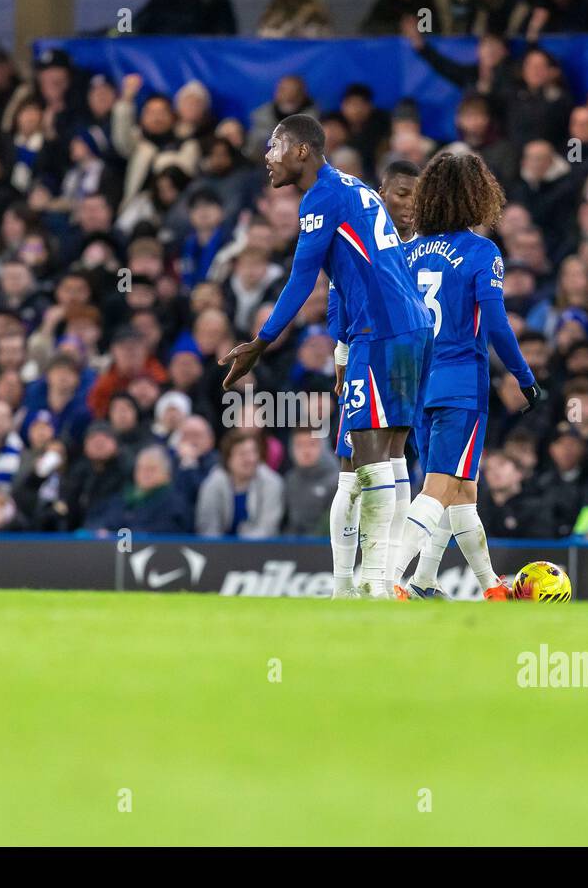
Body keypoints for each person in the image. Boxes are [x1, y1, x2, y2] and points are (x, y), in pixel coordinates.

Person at [219, 114, 431, 598]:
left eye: (274, 147)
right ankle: (374, 584)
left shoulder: (321, 198)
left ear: (301, 152)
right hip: (407, 328)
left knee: (364, 460)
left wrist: (262, 340)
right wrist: (341, 350)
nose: (266, 158)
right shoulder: (355, 188)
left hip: (380, 331)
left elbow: (302, 278)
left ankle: (371, 585)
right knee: (390, 455)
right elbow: (350, 274)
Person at [389, 152, 539, 601]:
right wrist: (524, 374)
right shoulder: (481, 251)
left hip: (414, 381)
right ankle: (387, 578)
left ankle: (468, 585)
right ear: (479, 196)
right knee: (439, 487)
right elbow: (495, 323)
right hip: (460, 382)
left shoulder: (407, 252)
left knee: (460, 489)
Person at [328, 160, 419, 597]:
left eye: (417, 196)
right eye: (401, 193)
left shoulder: (427, 249)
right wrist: (342, 367)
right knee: (353, 471)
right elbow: (340, 311)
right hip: (363, 358)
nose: (409, 205)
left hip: (408, 366)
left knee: (396, 459)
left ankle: (382, 576)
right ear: (380, 192)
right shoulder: (359, 241)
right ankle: (344, 584)